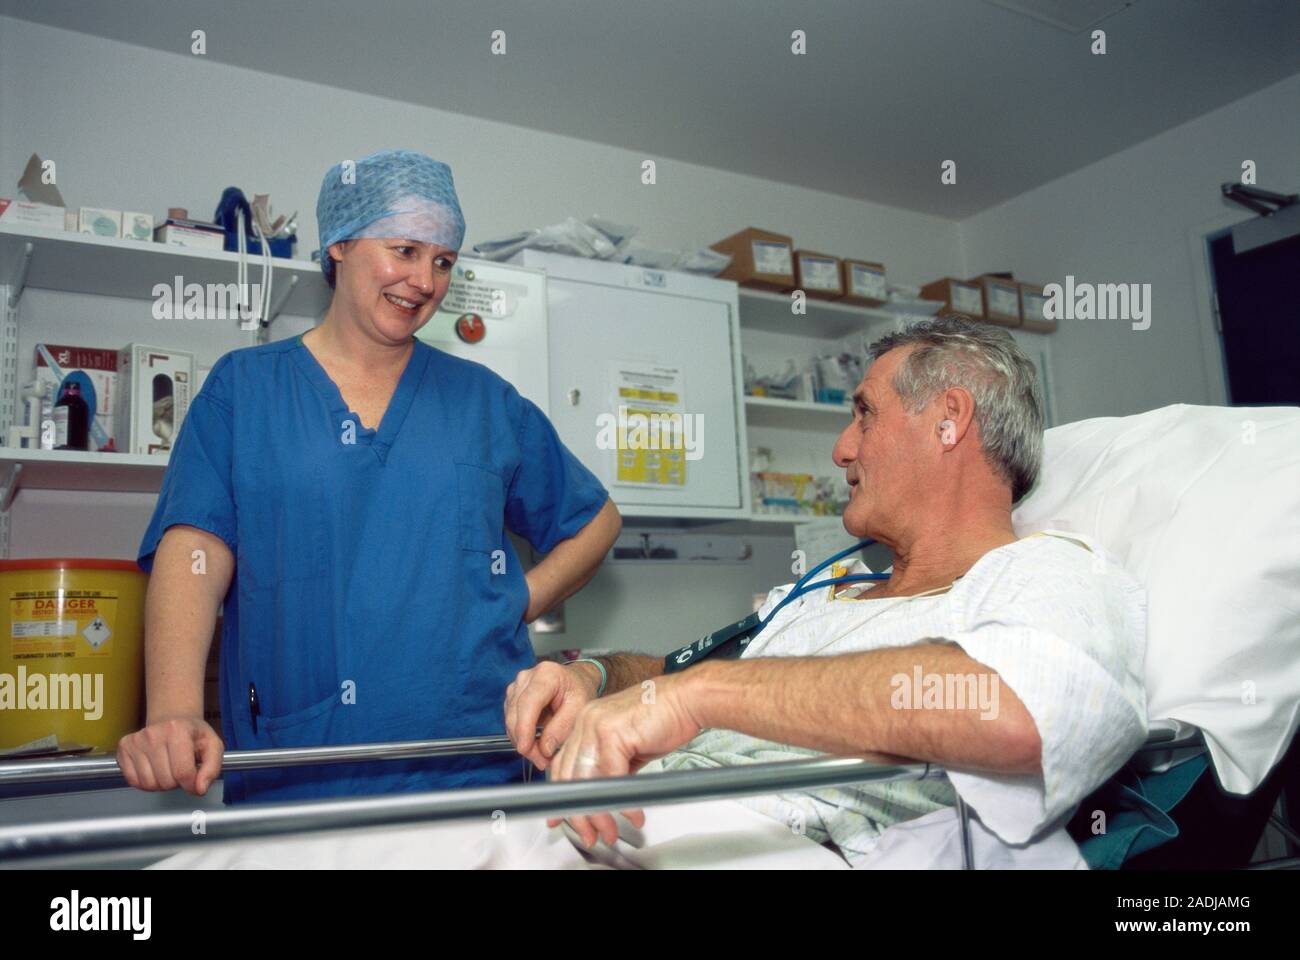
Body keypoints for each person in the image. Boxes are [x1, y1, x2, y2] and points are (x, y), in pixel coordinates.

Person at [152, 315, 1146, 869]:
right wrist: (590, 674)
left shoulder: (1049, 573)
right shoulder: (831, 597)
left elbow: (1010, 709)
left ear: (949, 422)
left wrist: (692, 701)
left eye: (860, 415)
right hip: (617, 825)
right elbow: (686, 668)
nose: (840, 448)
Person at [119, 149, 620, 804]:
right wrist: (175, 710)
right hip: (302, 768)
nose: (424, 280)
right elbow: (195, 551)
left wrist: (516, 600)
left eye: (443, 261)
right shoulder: (245, 391)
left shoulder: (485, 403)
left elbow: (595, 520)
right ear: (339, 244)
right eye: (405, 250)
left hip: (475, 764)